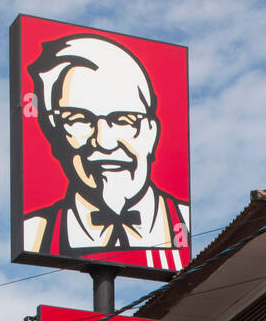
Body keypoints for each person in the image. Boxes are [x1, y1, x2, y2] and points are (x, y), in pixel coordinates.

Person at [24, 34, 191, 269]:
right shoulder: (34, 234)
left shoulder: (186, 226)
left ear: (152, 132)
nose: (104, 141)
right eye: (79, 119)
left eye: (124, 120)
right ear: (55, 134)